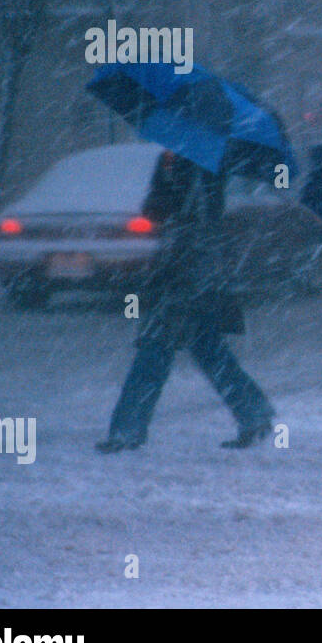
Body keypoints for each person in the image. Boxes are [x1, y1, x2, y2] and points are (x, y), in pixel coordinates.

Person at [98, 151, 274, 452]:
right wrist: (166, 179)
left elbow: (189, 215)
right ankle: (254, 413)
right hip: (186, 270)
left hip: (187, 273)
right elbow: (156, 209)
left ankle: (127, 431)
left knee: (155, 350)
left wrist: (171, 186)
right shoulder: (177, 159)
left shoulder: (204, 162)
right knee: (206, 349)